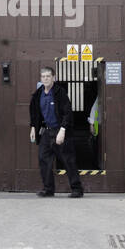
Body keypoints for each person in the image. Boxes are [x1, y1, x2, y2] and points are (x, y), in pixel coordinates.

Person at [28, 66, 84, 198]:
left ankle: (77, 189)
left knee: (68, 160)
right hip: (47, 133)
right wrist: (33, 128)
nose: (46, 79)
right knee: (44, 160)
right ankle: (48, 189)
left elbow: (67, 112)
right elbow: (35, 113)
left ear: (54, 77)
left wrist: (63, 130)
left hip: (60, 131)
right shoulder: (38, 94)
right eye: (43, 76)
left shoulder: (60, 92)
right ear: (40, 79)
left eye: (48, 76)